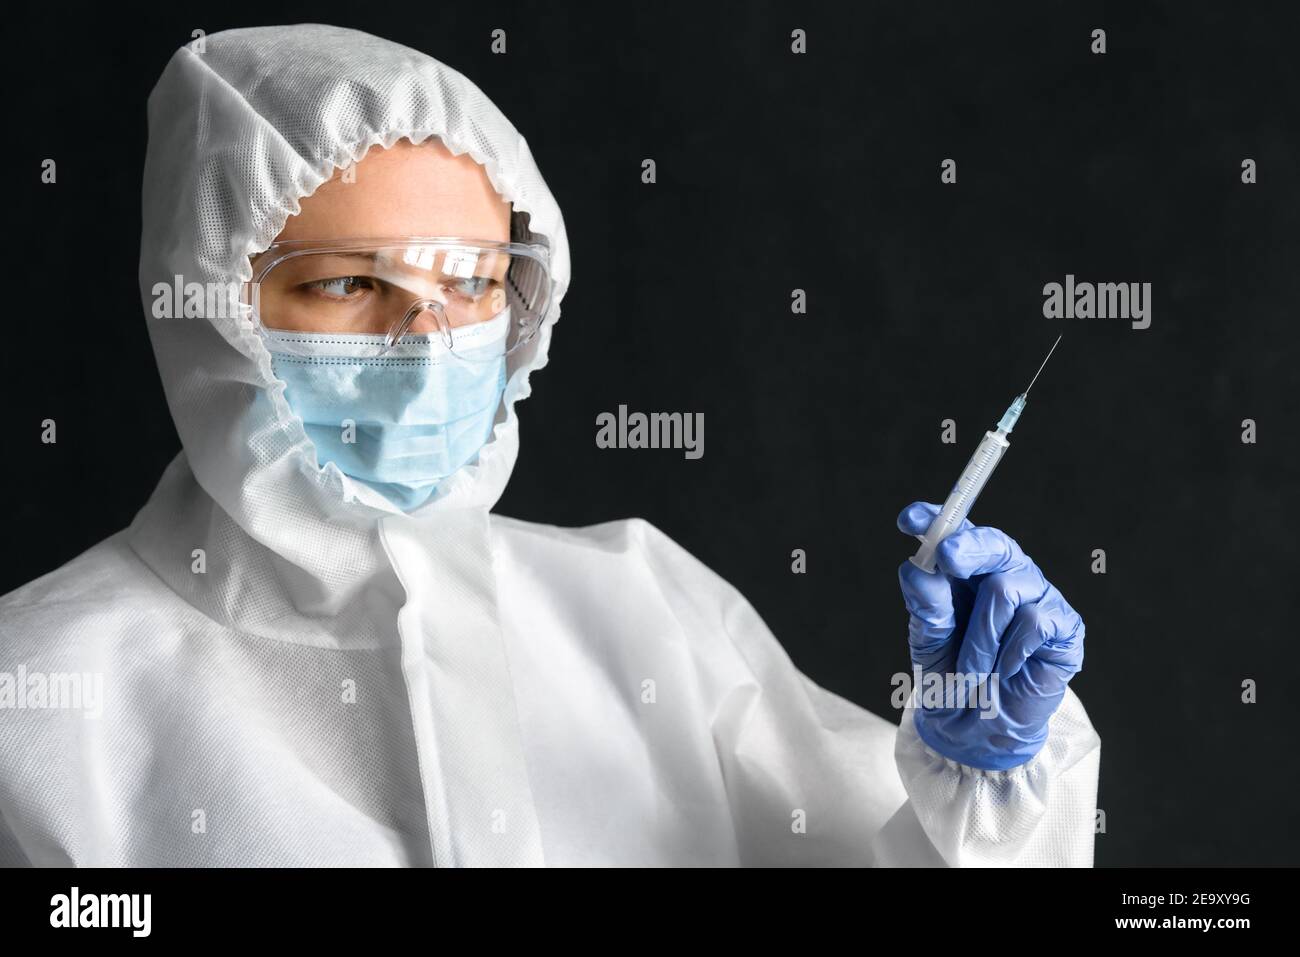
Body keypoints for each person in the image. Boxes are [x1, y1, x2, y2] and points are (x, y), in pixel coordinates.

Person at [0, 24, 1099, 867]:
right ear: (209, 301)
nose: (426, 345)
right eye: (349, 282)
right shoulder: (40, 701)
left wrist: (980, 784)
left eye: (471, 285)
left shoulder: (641, 606)